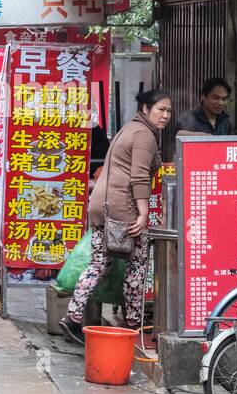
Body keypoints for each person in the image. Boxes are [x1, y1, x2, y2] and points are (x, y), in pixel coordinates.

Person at [61, 89, 173, 344]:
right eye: (160, 110)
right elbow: (139, 176)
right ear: (146, 109)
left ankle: (73, 317)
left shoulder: (129, 128)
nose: (165, 115)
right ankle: (133, 325)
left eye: (168, 111)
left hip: (101, 205)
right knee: (136, 268)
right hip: (123, 209)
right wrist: (143, 213)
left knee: (99, 264)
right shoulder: (144, 135)